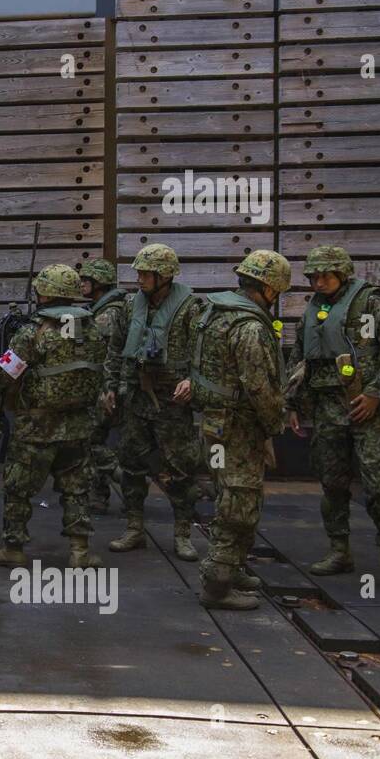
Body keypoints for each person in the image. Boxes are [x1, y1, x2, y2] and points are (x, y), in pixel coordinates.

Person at [288, 245, 380, 593]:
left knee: (378, 484)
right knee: (332, 482)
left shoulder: (370, 302)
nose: (318, 282)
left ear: (343, 273)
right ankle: (339, 550)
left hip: (362, 406)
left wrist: (376, 393)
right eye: (313, 276)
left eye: (325, 275)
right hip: (326, 407)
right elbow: (300, 359)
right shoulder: (313, 308)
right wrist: (292, 403)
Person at [187, 251, 291, 610]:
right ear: (269, 289)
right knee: (239, 501)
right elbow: (259, 387)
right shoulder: (250, 327)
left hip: (215, 422)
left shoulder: (214, 314)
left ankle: (232, 567)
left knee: (231, 494)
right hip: (240, 428)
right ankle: (217, 584)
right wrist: (274, 426)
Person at [0, 264, 107, 569]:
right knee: (77, 488)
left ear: (43, 293)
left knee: (19, 487)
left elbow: (2, 373)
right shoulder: (92, 329)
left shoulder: (32, 332)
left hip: (37, 427)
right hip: (79, 425)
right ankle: (80, 551)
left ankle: (13, 548)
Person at [103, 243, 204, 561]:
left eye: (146, 273)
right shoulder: (130, 306)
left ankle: (183, 533)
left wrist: (193, 381)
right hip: (134, 396)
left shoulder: (190, 308)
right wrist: (109, 387)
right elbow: (116, 348)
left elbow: (202, 351)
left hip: (172, 400)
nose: (140, 278)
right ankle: (134, 528)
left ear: (165, 276)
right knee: (131, 466)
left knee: (181, 468)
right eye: (139, 273)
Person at [80, 258, 129, 513]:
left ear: (99, 283)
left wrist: (108, 389)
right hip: (108, 384)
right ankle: (98, 495)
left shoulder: (108, 314)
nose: (81, 284)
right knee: (94, 438)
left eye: (86, 280)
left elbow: (107, 354)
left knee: (89, 441)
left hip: (107, 387)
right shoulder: (102, 308)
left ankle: (124, 477)